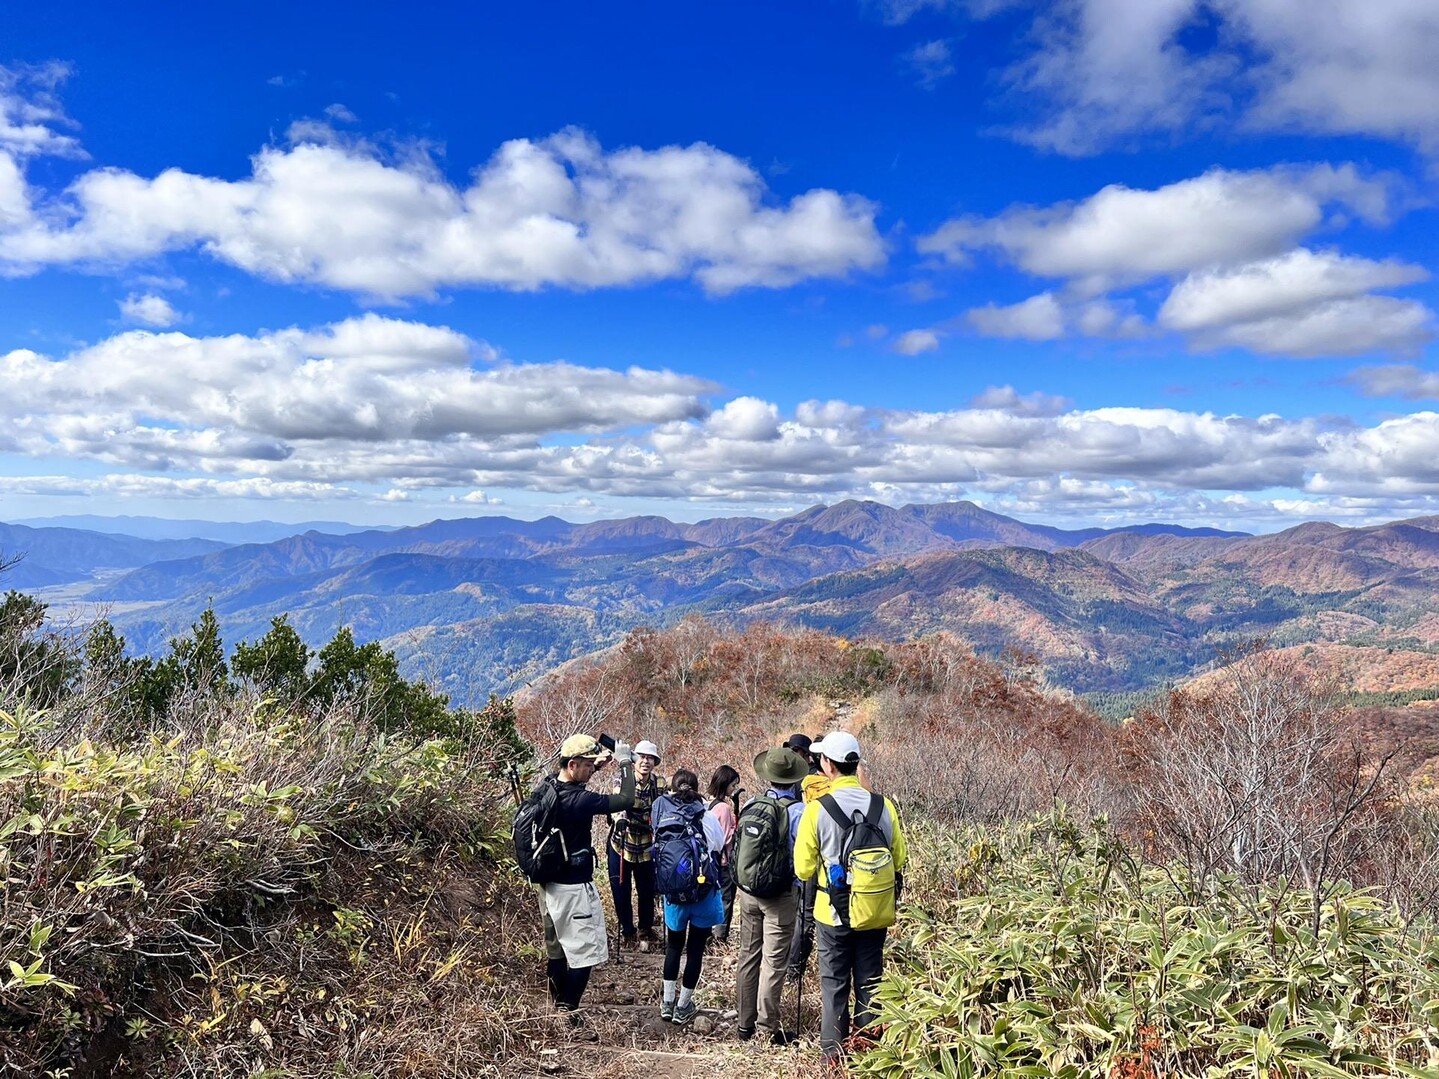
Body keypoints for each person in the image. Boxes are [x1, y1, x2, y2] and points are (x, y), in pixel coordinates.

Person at [794, 731, 907, 1067]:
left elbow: (802, 869)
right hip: (875, 909)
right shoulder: (883, 806)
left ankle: (834, 1061)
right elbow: (898, 859)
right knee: (871, 983)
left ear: (827, 764)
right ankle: (871, 1058)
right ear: (856, 764)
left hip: (832, 914)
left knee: (834, 986)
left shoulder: (817, 810)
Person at [539, 733, 635, 1026]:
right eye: (588, 765)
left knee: (557, 951)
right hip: (572, 889)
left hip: (549, 884)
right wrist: (626, 764)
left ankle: (556, 1006)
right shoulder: (578, 800)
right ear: (572, 764)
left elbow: (579, 779)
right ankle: (569, 1013)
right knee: (584, 955)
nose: (593, 770)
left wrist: (599, 762)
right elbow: (625, 799)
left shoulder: (549, 787)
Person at [734, 745, 808, 1046]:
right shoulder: (799, 812)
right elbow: (803, 858)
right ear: (795, 780)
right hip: (780, 894)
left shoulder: (753, 802)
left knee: (747, 956)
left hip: (748, 891)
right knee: (773, 962)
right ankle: (766, 1029)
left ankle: (743, 1024)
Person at [651, 768, 727, 1026]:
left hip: (674, 892)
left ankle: (667, 1003)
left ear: (672, 788)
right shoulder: (706, 814)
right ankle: (684, 1005)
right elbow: (717, 845)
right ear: (696, 787)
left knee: (673, 946)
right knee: (695, 950)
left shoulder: (661, 809)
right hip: (703, 891)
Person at [608, 739, 666, 949]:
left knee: (646, 889)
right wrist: (620, 819)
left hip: (647, 844)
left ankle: (645, 928)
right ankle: (627, 931)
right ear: (634, 759)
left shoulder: (659, 784)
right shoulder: (622, 779)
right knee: (621, 890)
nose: (645, 761)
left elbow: (663, 807)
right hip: (622, 842)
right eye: (642, 757)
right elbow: (618, 801)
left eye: (650, 758)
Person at [785, 732, 822, 982]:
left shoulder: (805, 780)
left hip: (803, 855)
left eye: (796, 751)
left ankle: (792, 967)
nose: (792, 755)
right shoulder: (812, 779)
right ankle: (794, 969)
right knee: (805, 915)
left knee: (802, 914)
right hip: (810, 857)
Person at [706, 763, 741, 944]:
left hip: (708, 862)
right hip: (723, 862)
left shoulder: (707, 803)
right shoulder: (724, 808)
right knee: (726, 899)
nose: (733, 789)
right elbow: (727, 838)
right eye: (732, 785)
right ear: (725, 783)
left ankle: (706, 933)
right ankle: (720, 938)